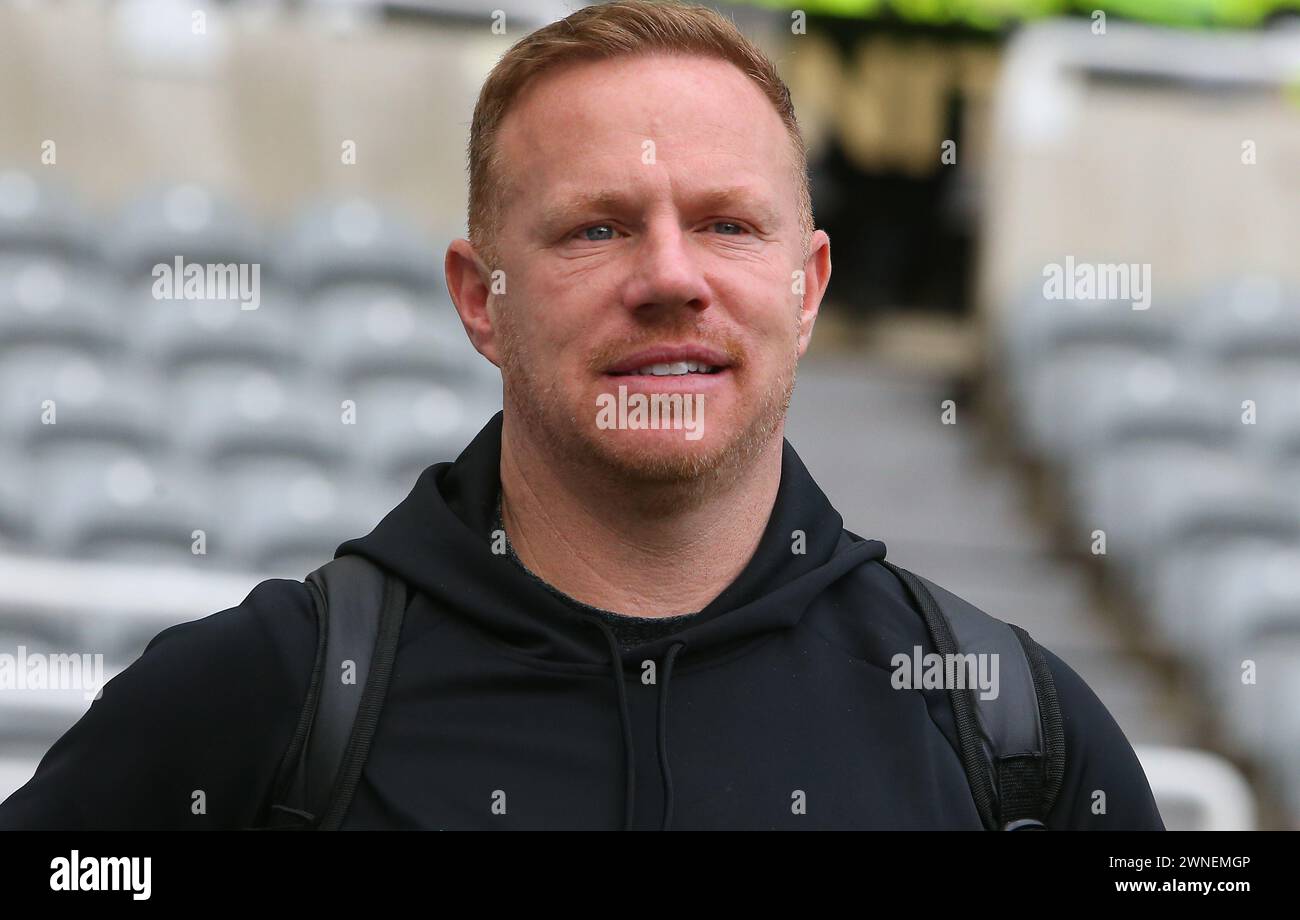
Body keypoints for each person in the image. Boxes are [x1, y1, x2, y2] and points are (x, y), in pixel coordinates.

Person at [0, 0, 1163, 830]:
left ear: (805, 290)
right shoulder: (263, 698)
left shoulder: (1011, 729)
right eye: (595, 227)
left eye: (725, 223)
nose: (669, 276)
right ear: (480, 300)